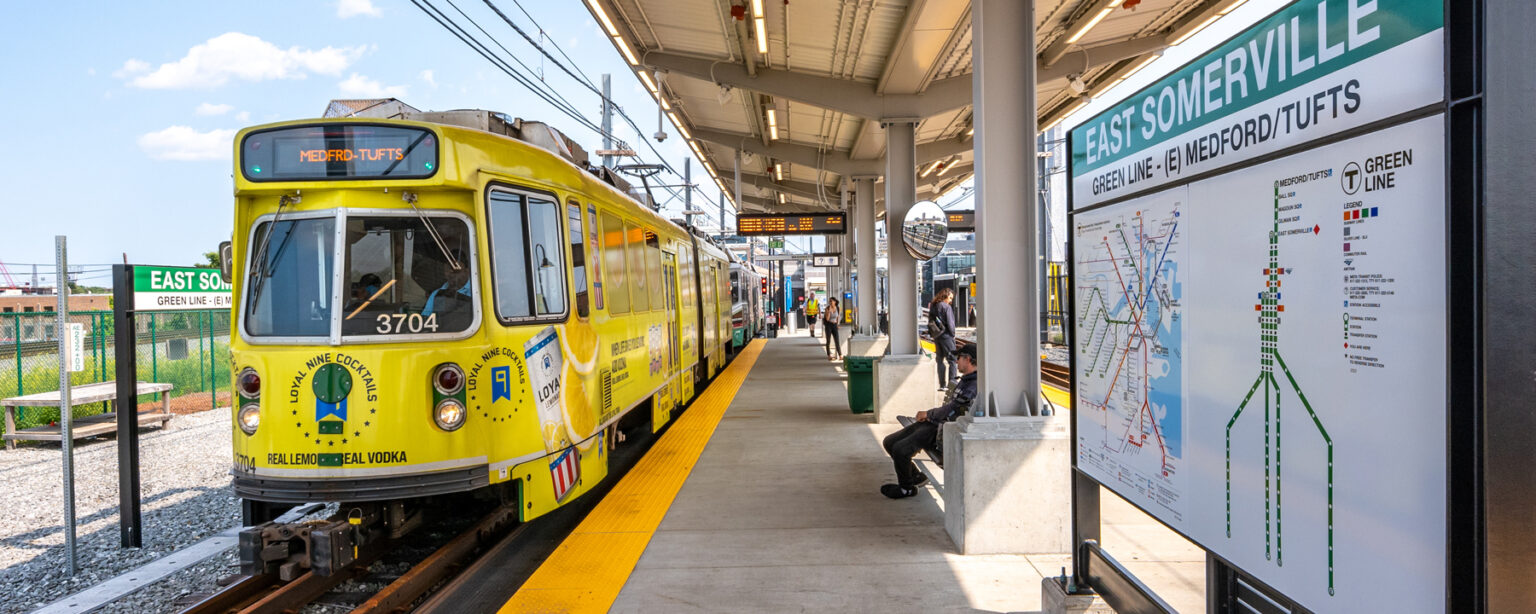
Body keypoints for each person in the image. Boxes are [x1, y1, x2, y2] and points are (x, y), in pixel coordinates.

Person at [880, 343, 977, 498]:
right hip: (935, 423)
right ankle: (916, 477)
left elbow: (952, 410)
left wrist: (929, 414)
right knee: (889, 442)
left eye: (959, 357)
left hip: (942, 429)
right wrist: (930, 416)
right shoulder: (966, 380)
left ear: (968, 359)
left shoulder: (973, 385)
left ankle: (906, 488)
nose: (956, 361)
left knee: (900, 450)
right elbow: (950, 408)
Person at [928, 288, 958, 389]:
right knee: (952, 360)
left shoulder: (933, 305)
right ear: (945, 296)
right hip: (946, 336)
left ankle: (942, 385)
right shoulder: (946, 307)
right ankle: (952, 385)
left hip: (937, 336)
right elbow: (950, 323)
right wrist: (953, 334)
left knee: (940, 360)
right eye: (950, 298)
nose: (951, 300)